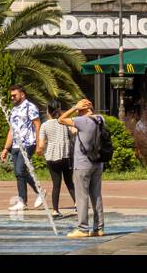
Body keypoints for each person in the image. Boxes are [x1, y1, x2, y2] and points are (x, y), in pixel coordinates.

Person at [59, 98, 105, 238]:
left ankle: (83, 228)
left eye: (79, 110)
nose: (77, 112)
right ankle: (99, 228)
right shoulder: (100, 119)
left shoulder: (82, 121)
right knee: (96, 195)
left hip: (82, 164)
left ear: (82, 109)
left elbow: (61, 119)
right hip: (97, 163)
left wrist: (74, 107)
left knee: (82, 197)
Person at [0, 84, 44, 211]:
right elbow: (11, 130)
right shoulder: (14, 110)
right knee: (20, 173)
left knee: (20, 171)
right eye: (11, 96)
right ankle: (30, 197)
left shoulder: (30, 107)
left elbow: (37, 125)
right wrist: (6, 148)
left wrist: (39, 144)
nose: (12, 98)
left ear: (22, 94)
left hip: (28, 143)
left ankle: (25, 199)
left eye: (14, 95)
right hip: (15, 145)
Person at [36, 99, 76, 218]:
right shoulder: (64, 123)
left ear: (48, 111)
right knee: (69, 181)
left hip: (52, 157)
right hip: (65, 155)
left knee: (56, 184)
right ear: (59, 110)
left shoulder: (44, 125)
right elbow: (73, 133)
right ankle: (77, 203)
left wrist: (39, 151)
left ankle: (55, 210)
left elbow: (41, 145)